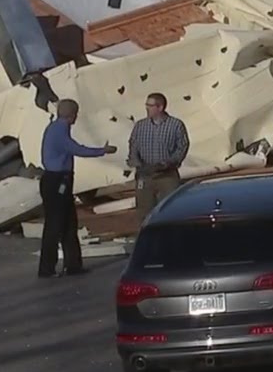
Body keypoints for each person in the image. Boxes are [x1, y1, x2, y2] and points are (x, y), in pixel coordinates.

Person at [39, 99, 117, 278]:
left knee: (68, 223)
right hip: (57, 180)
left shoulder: (54, 127)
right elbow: (75, 149)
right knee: (55, 224)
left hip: (58, 180)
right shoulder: (59, 130)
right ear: (72, 115)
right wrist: (102, 151)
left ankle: (72, 264)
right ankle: (47, 268)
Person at [127, 92, 190, 226]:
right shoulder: (140, 126)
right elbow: (133, 145)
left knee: (171, 209)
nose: (147, 108)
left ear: (160, 107)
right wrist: (137, 163)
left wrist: (169, 162)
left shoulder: (175, 125)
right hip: (145, 175)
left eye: (150, 105)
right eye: (146, 105)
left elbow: (182, 146)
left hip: (166, 175)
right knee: (144, 212)